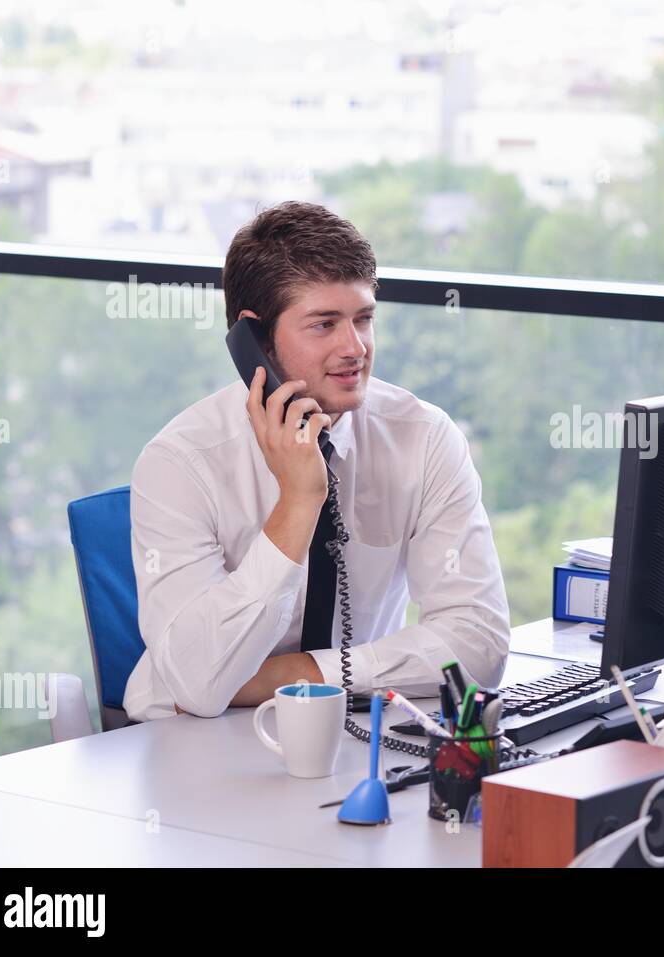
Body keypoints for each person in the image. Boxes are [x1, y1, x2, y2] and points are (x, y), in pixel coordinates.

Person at [123, 201, 510, 721]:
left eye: (364, 319)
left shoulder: (424, 438)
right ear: (254, 340)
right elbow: (198, 685)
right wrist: (300, 500)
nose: (356, 348)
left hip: (348, 725)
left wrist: (300, 676)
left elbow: (480, 644)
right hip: (187, 740)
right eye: (324, 324)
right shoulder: (180, 463)